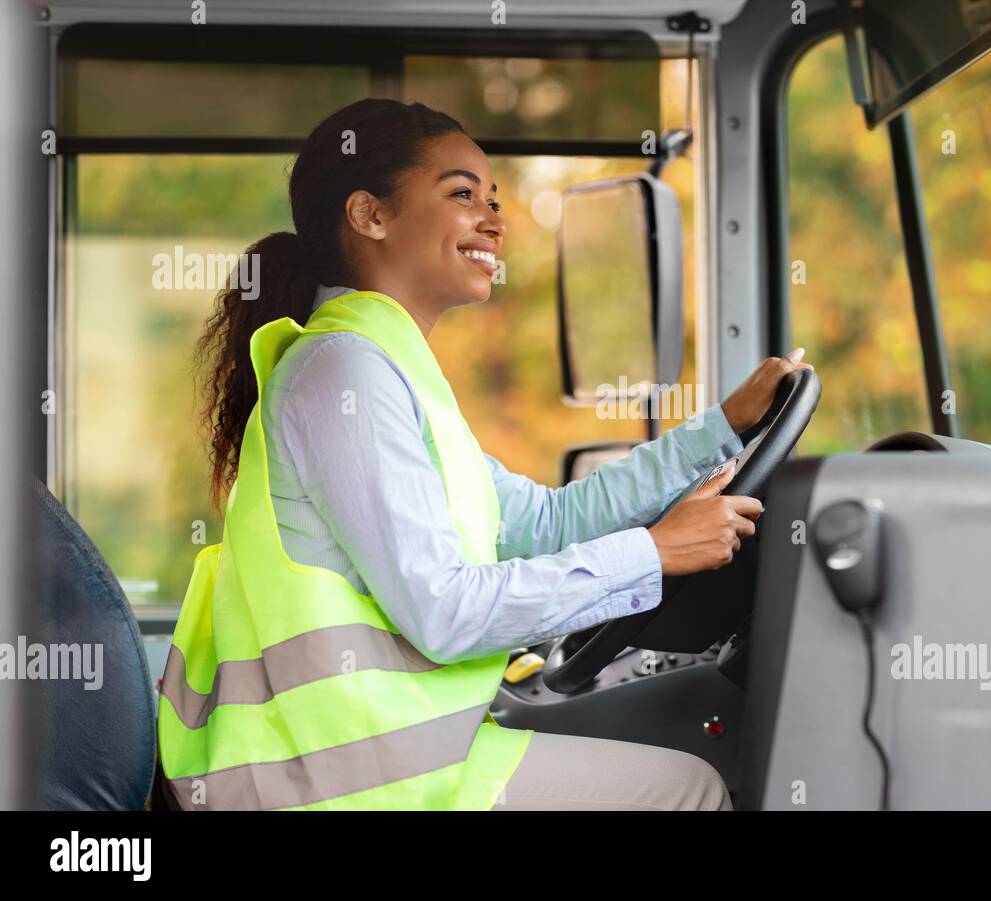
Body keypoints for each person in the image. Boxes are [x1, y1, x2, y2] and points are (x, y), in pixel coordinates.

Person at [159, 98, 811, 811]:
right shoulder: (344, 372)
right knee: (693, 787)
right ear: (370, 216)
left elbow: (551, 519)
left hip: (400, 755)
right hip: (349, 785)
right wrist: (655, 553)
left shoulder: (386, 365)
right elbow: (445, 614)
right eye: (463, 194)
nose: (496, 221)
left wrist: (720, 427)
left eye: (493, 198)